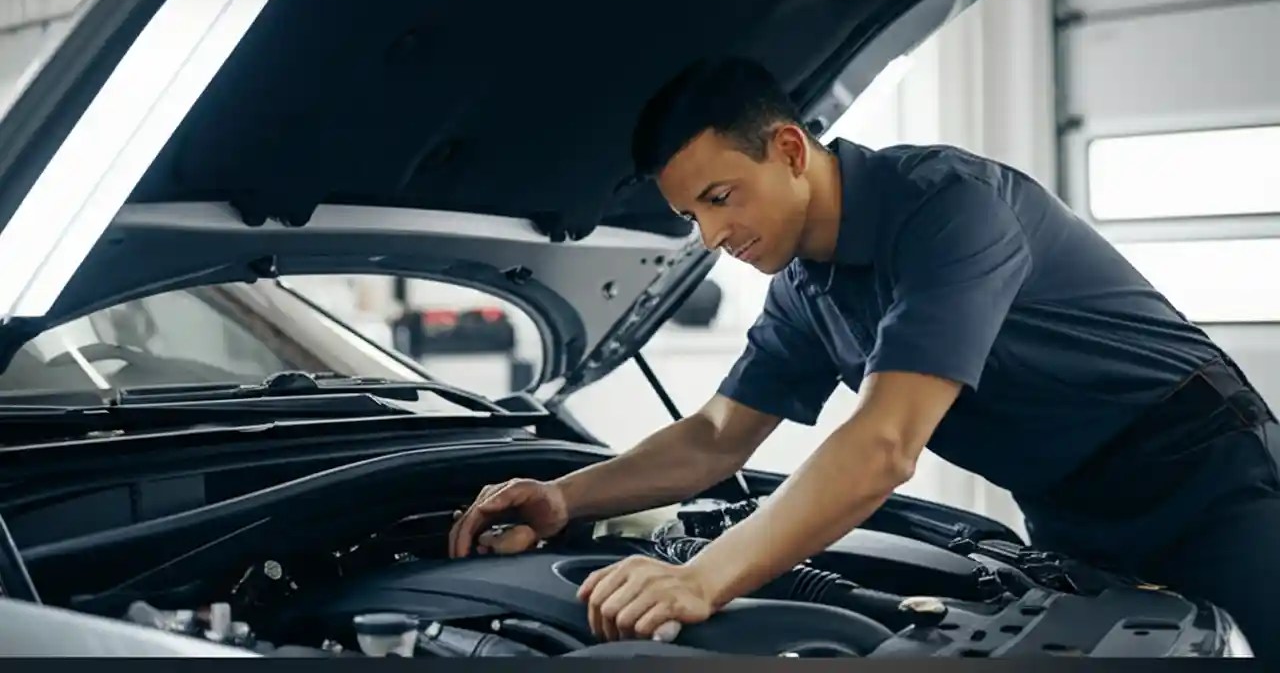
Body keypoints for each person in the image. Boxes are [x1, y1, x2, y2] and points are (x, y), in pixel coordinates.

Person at [448, 57, 1280, 656]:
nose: (711, 236)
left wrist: (700, 579)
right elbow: (715, 436)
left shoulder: (951, 210)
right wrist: (564, 496)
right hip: (1068, 509)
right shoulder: (805, 289)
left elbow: (885, 446)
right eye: (691, 216)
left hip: (1206, 476)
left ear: (787, 150)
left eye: (720, 198)